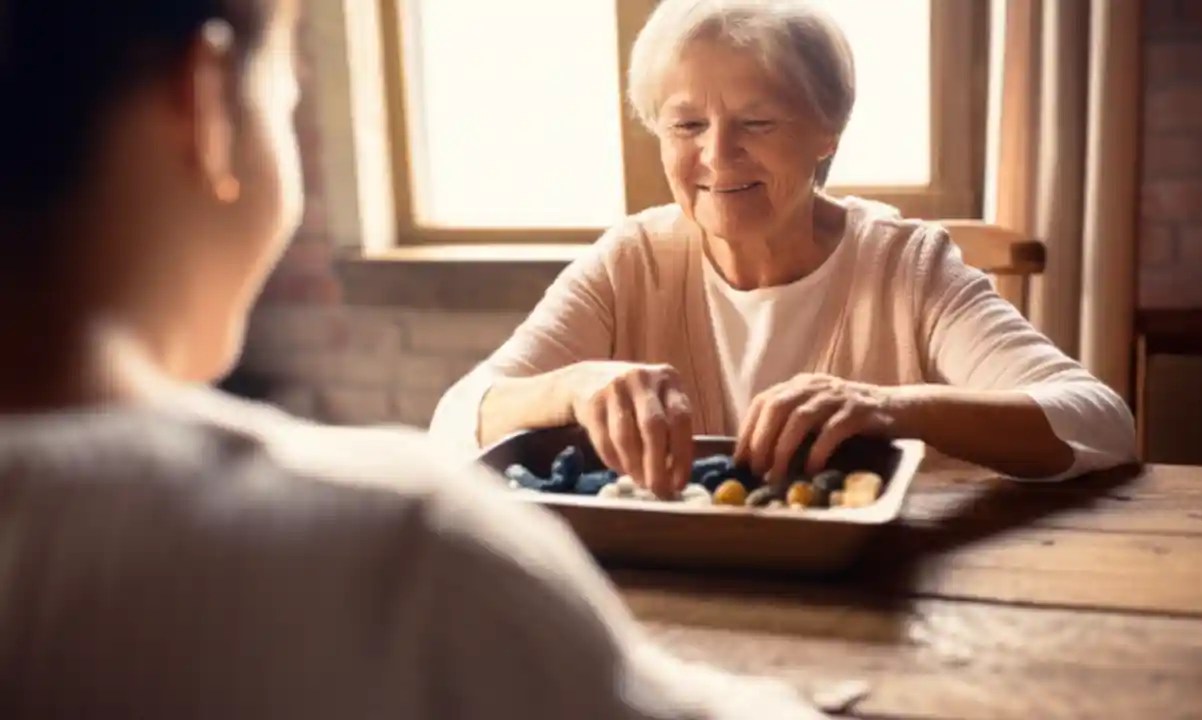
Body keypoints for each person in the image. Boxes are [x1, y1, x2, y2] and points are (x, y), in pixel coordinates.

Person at [0, 0, 826, 716]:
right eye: (283, 101)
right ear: (205, 102)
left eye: (756, 122)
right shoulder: (403, 553)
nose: (718, 154)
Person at [430, 0, 1136, 499]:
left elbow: (1102, 421)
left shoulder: (907, 266)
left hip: (879, 605)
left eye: (757, 122)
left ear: (828, 130)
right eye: (686, 125)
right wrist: (572, 386)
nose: (717, 155)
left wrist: (891, 408)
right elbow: (456, 421)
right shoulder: (630, 261)